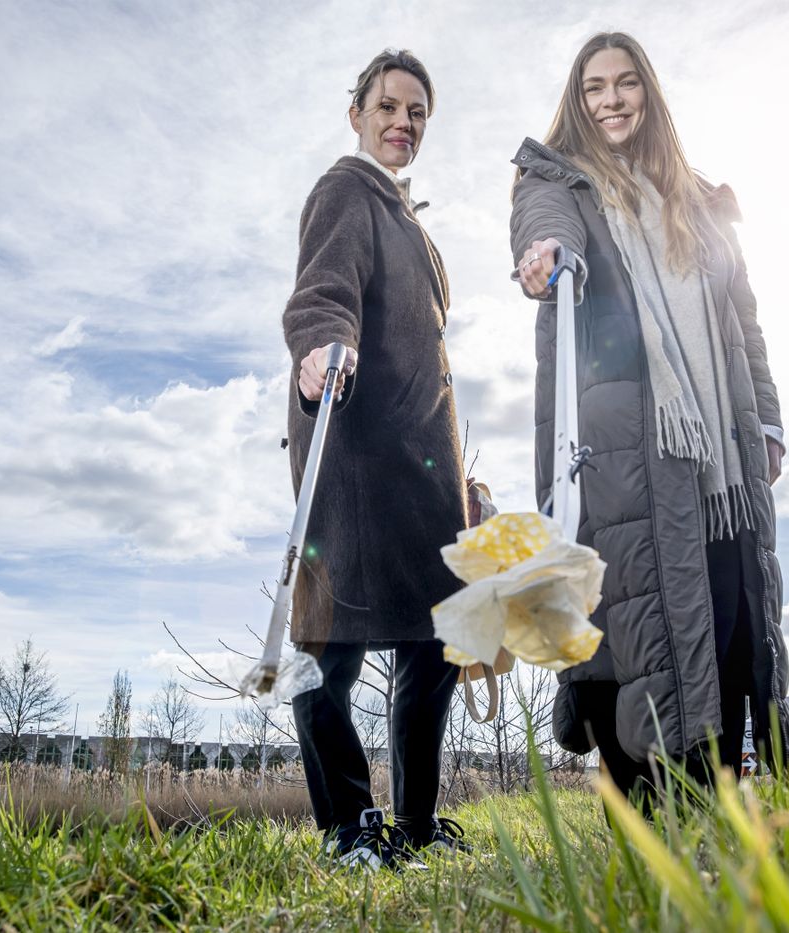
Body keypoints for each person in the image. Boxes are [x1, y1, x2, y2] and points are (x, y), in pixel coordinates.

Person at [509, 32, 789, 802]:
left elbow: (746, 321)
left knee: (731, 633)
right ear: (578, 99)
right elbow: (544, 227)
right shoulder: (559, 182)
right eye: (595, 87)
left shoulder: (699, 202)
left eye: (626, 83)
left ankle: (716, 824)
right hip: (624, 453)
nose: (611, 100)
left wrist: (765, 423)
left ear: (648, 93)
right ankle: (645, 833)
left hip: (722, 467)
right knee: (633, 627)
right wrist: (544, 255)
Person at [283, 48, 469, 869]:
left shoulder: (414, 228)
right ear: (357, 113)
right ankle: (349, 824)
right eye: (388, 106)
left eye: (417, 113)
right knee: (332, 645)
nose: (403, 122)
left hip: (424, 469)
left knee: (434, 651)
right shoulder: (344, 192)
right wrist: (323, 347)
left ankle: (419, 820)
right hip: (356, 453)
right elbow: (324, 291)